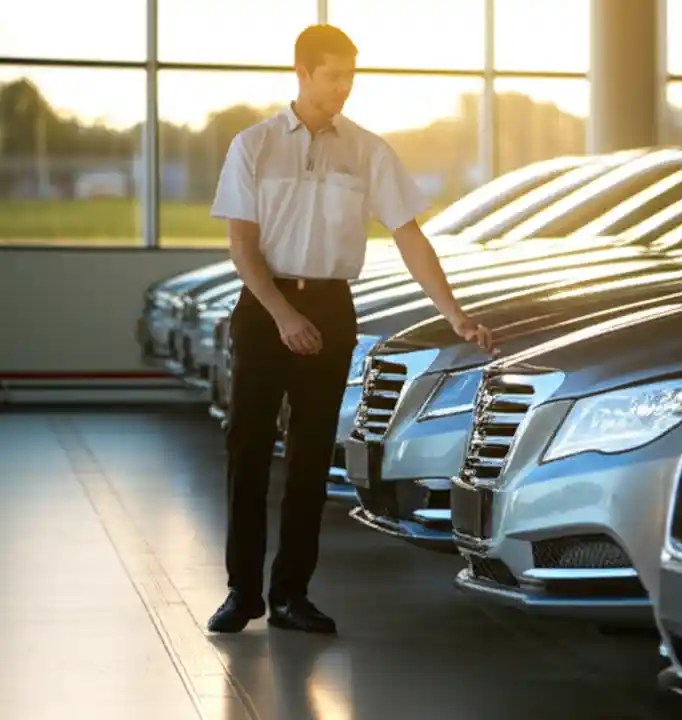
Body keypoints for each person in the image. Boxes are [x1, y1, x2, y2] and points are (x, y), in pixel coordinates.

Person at [206, 24, 493, 634]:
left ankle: (291, 596)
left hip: (332, 308)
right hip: (264, 307)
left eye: (350, 78)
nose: (343, 88)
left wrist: (453, 312)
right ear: (302, 72)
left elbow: (410, 237)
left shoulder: (367, 150)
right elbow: (242, 245)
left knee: (311, 456)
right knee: (248, 450)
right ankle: (241, 593)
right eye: (333, 76)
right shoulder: (254, 145)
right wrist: (284, 315)